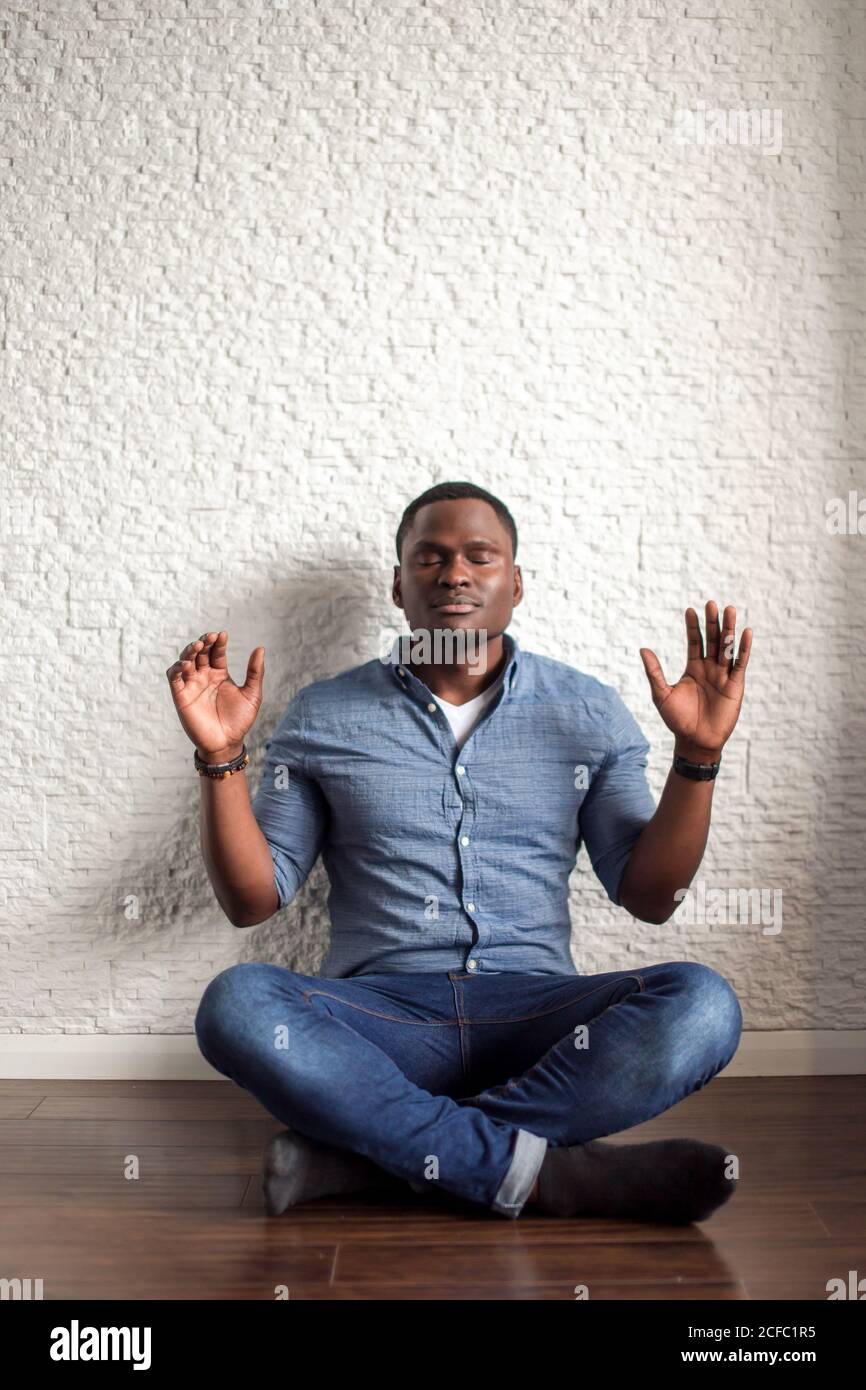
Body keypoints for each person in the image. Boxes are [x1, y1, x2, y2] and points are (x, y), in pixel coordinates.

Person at [167, 481, 752, 1223]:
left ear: (516, 583)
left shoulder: (586, 710)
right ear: (398, 583)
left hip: (539, 1021)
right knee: (238, 1003)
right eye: (430, 557)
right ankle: (548, 1173)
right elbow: (253, 901)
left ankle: (380, 1158)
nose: (456, 573)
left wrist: (697, 756)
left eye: (482, 557)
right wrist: (222, 758)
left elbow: (650, 897)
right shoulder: (325, 714)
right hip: (380, 1023)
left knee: (704, 1005)